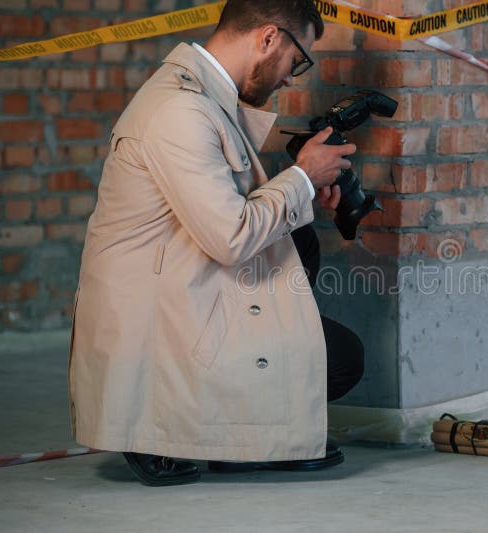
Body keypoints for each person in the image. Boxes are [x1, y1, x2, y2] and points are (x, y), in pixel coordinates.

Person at [68, 0, 365, 486]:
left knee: (301, 243)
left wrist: (306, 188)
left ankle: (236, 428)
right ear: (268, 39)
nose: (292, 78)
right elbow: (230, 236)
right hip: (153, 338)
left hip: (177, 292)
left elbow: (229, 208)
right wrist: (303, 177)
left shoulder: (201, 97)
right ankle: (162, 430)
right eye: (297, 61)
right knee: (340, 361)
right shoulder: (179, 110)